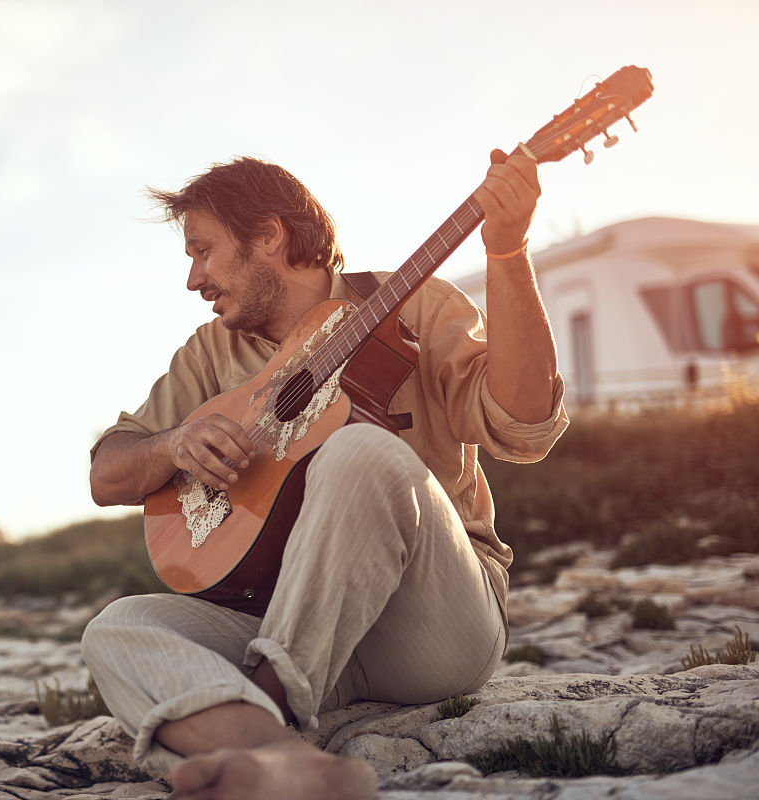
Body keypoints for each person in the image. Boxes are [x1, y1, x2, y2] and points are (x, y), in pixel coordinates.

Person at [81, 154, 568, 799]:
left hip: (427, 628)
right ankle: (279, 761)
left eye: (203, 251)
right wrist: (173, 444)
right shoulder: (209, 352)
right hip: (275, 618)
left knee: (358, 448)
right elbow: (107, 475)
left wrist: (506, 251)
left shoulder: (415, 304)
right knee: (120, 626)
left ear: (268, 236)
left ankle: (258, 708)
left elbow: (524, 427)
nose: (194, 278)